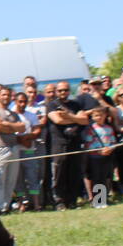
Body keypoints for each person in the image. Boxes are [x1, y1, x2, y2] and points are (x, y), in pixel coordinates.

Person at [44, 81, 89, 209]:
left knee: (74, 173)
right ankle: (60, 202)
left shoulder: (76, 104)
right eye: (60, 90)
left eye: (65, 90)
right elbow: (57, 120)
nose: (63, 93)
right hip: (59, 145)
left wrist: (68, 116)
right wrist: (76, 118)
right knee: (59, 175)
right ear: (56, 91)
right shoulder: (51, 105)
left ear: (69, 91)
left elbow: (85, 120)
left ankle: (72, 201)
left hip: (75, 143)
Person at [0, 84, 26, 214]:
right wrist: (13, 127)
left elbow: (22, 128)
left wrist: (7, 125)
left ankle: (6, 206)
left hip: (14, 147)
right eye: (3, 94)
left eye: (8, 95)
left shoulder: (13, 113)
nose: (6, 97)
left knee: (11, 180)